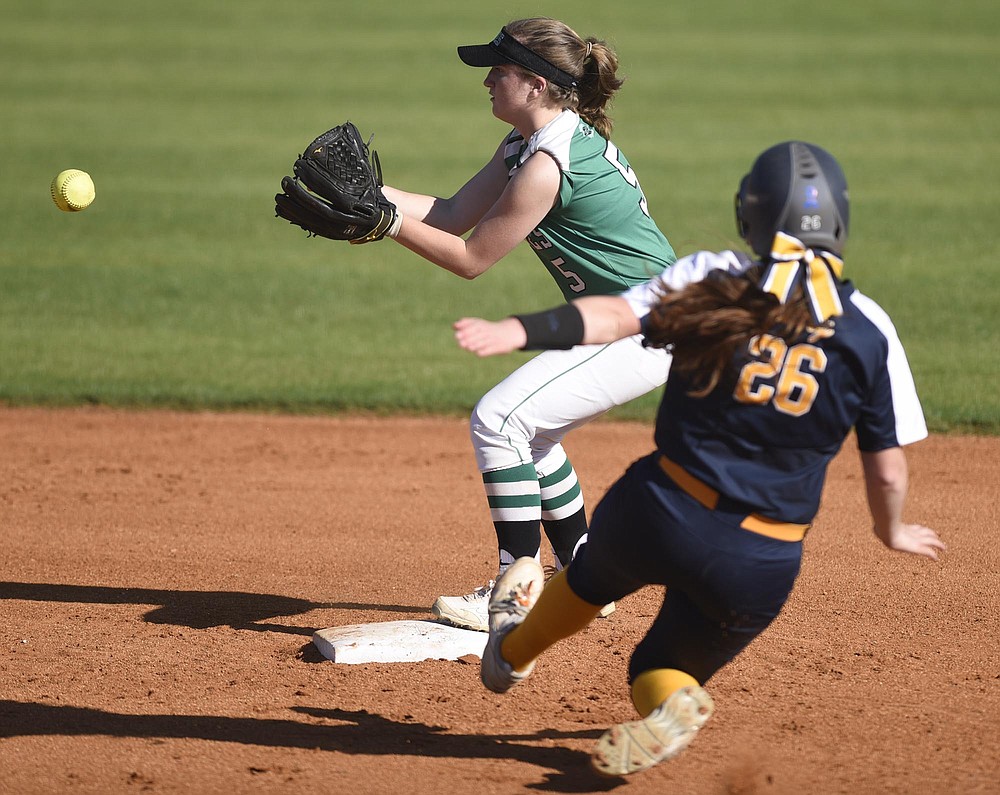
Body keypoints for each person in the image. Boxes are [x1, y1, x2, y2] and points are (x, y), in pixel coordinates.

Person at [452, 141, 946, 776]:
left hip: (661, 513)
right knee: (660, 667)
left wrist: (522, 329)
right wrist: (892, 530)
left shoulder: (714, 278)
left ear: (750, 214)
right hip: (763, 558)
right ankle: (674, 704)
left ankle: (511, 654)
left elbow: (613, 316)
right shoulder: (869, 327)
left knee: (588, 581)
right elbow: (887, 468)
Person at [373, 18, 678, 630]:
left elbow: (470, 258)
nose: (487, 79)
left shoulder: (548, 164)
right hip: (621, 318)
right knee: (531, 434)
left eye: (499, 70)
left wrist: (385, 223)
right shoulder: (528, 147)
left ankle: (515, 590)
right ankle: (585, 574)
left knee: (500, 419)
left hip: (642, 326)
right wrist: (372, 193)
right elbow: (456, 213)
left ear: (537, 85)